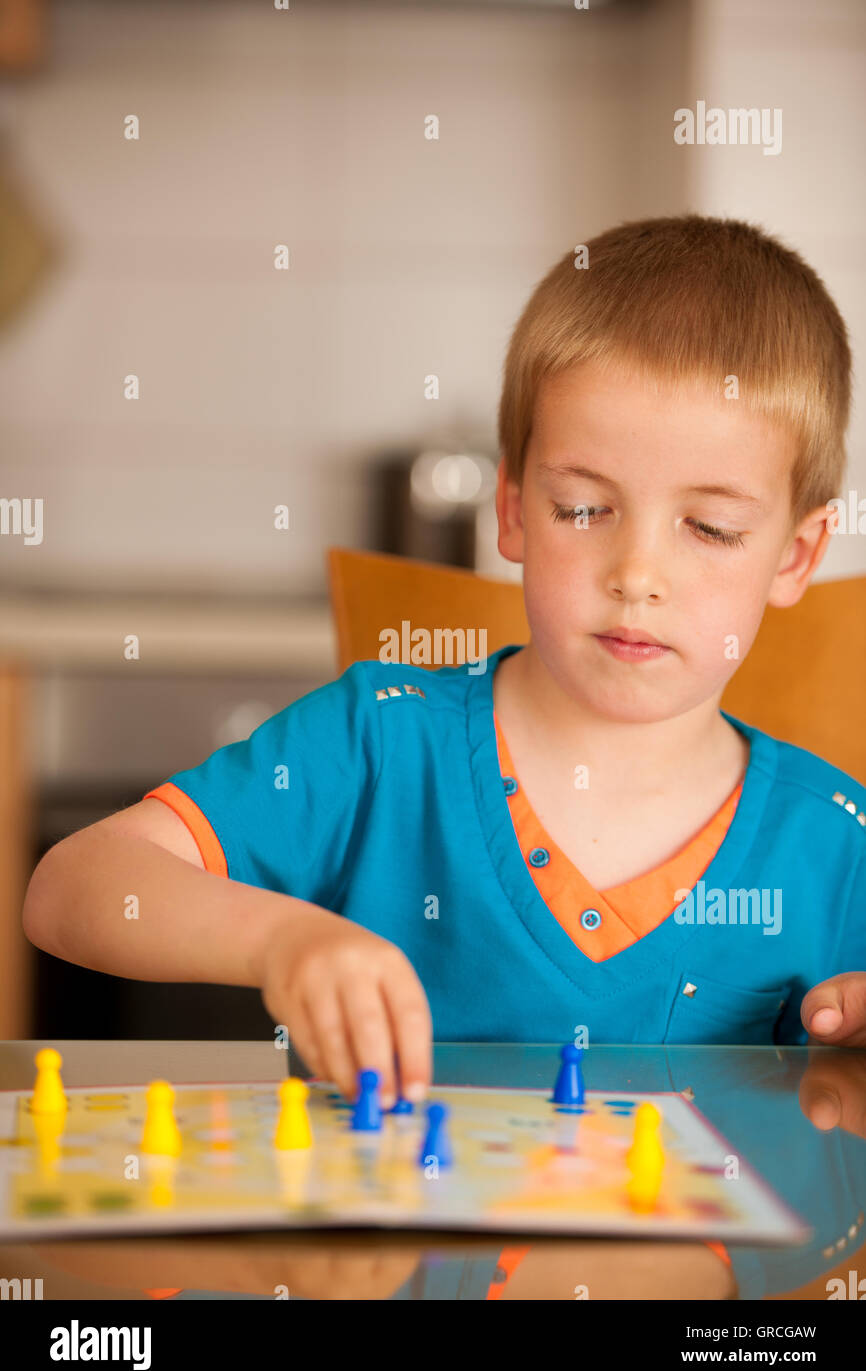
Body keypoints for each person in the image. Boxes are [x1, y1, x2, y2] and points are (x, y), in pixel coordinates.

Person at [23, 214, 866, 1110]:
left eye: (711, 528)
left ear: (794, 557)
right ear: (510, 509)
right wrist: (282, 941)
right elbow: (70, 889)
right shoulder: (380, 740)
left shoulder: (835, 842)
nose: (638, 577)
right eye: (583, 508)